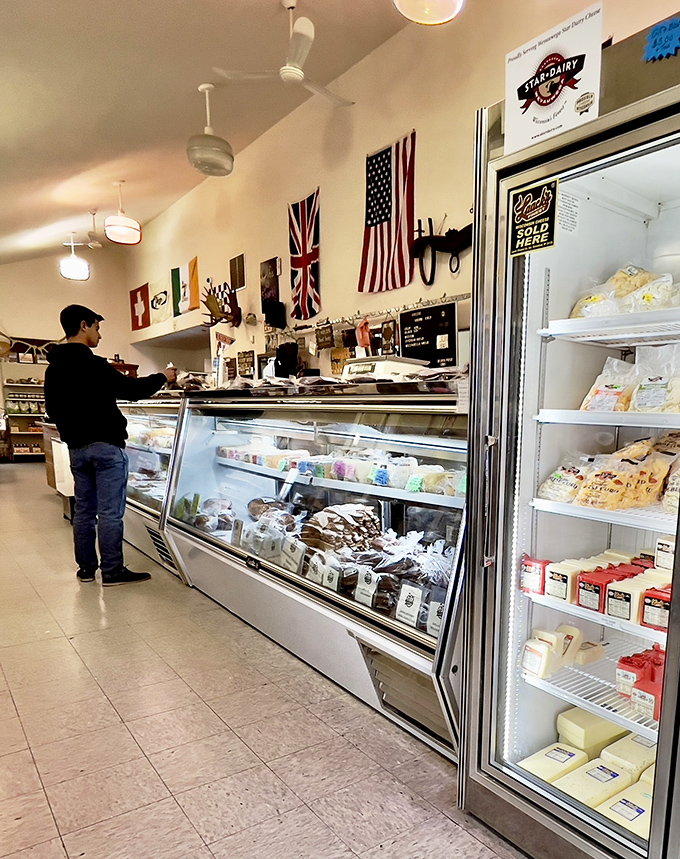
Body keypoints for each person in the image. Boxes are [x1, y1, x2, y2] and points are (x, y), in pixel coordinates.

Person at [44, 304, 177, 586]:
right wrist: (163, 377)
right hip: (106, 447)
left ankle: (86, 569)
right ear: (83, 326)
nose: (99, 334)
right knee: (109, 513)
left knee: (83, 511)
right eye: (97, 327)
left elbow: (52, 411)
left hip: (77, 450)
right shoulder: (92, 363)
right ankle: (113, 571)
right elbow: (132, 391)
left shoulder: (54, 368)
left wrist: (73, 430)